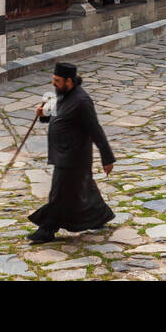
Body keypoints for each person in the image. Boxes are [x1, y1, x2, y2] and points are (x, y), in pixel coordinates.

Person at [28, 62, 116, 244]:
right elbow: (59, 117)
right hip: (64, 153)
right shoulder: (63, 95)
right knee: (83, 188)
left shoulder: (82, 101)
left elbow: (96, 130)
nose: (54, 84)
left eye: (57, 81)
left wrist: (107, 158)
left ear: (69, 81)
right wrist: (43, 115)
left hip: (73, 158)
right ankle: (99, 215)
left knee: (59, 194)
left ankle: (47, 229)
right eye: (53, 80)